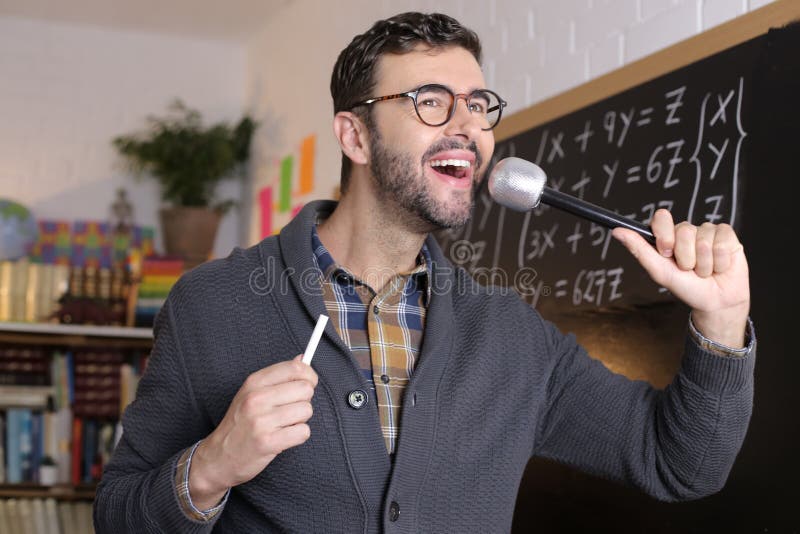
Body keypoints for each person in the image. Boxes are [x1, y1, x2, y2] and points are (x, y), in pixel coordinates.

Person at [93, 11, 755, 534]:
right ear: (354, 137)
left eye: (477, 104)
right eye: (431, 101)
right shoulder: (212, 304)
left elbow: (680, 465)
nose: (467, 125)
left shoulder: (511, 335)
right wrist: (209, 469)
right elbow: (118, 511)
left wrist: (721, 324)